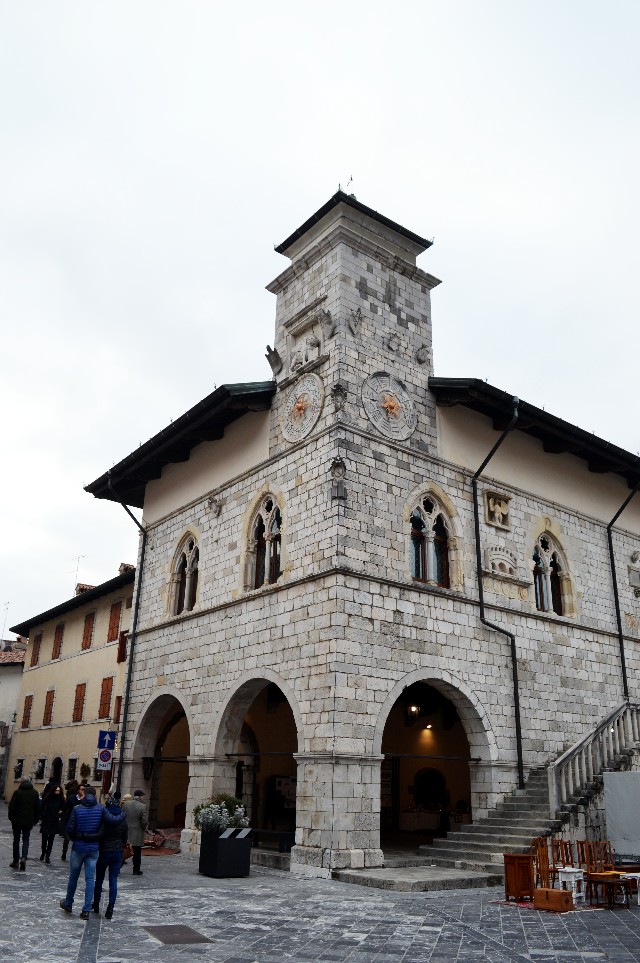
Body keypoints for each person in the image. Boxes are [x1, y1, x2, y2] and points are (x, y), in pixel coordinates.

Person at [59, 785, 104, 919]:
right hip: (93, 848)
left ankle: (68, 903)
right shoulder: (101, 809)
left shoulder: (77, 809)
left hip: (79, 847)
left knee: (73, 876)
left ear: (84, 795)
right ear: (94, 795)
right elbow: (103, 828)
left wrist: (76, 839)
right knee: (90, 878)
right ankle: (86, 910)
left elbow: (70, 828)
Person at [93, 794, 128, 920]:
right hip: (117, 852)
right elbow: (125, 838)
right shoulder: (123, 819)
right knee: (113, 880)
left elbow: (100, 834)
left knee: (99, 879)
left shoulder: (105, 818)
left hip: (104, 852)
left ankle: (96, 904)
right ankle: (110, 908)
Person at [8, 778, 41, 870]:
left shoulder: (17, 792)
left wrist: (11, 818)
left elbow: (11, 807)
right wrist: (36, 820)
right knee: (26, 839)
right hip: (28, 820)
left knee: (16, 840)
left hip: (17, 820)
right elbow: (38, 808)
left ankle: (15, 861)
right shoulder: (34, 793)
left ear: (21, 783)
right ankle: (23, 858)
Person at [123, 789, 148, 876]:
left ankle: (117, 866)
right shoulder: (143, 806)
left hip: (126, 831)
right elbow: (144, 820)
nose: (143, 797)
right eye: (143, 796)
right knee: (137, 853)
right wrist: (144, 828)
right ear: (140, 796)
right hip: (137, 832)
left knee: (123, 849)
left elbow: (122, 816)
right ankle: (136, 870)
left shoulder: (126, 804)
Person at [39, 782, 64, 863]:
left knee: (51, 839)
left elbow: (63, 809)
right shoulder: (47, 798)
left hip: (54, 820)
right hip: (46, 820)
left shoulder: (61, 799)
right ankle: (43, 852)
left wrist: (59, 814)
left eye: (59, 791)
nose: (57, 792)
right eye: (56, 790)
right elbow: (42, 807)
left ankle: (48, 855)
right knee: (44, 838)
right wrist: (43, 816)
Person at [60, 780, 79, 861]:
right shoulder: (72, 797)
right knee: (68, 838)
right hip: (70, 818)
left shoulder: (79, 797)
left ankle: (67, 853)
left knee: (68, 839)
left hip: (74, 819)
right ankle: (65, 853)